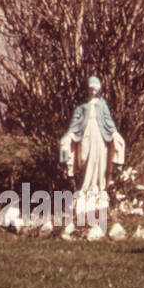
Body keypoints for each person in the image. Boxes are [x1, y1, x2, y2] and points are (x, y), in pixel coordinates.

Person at [59, 75, 125, 236]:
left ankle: (98, 189)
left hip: (100, 137)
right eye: (91, 88)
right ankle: (84, 188)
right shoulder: (81, 107)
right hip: (85, 137)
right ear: (88, 89)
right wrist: (69, 135)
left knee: (99, 162)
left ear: (99, 89)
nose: (93, 91)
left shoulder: (102, 105)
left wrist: (115, 133)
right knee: (85, 161)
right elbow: (75, 123)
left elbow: (108, 121)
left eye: (96, 88)